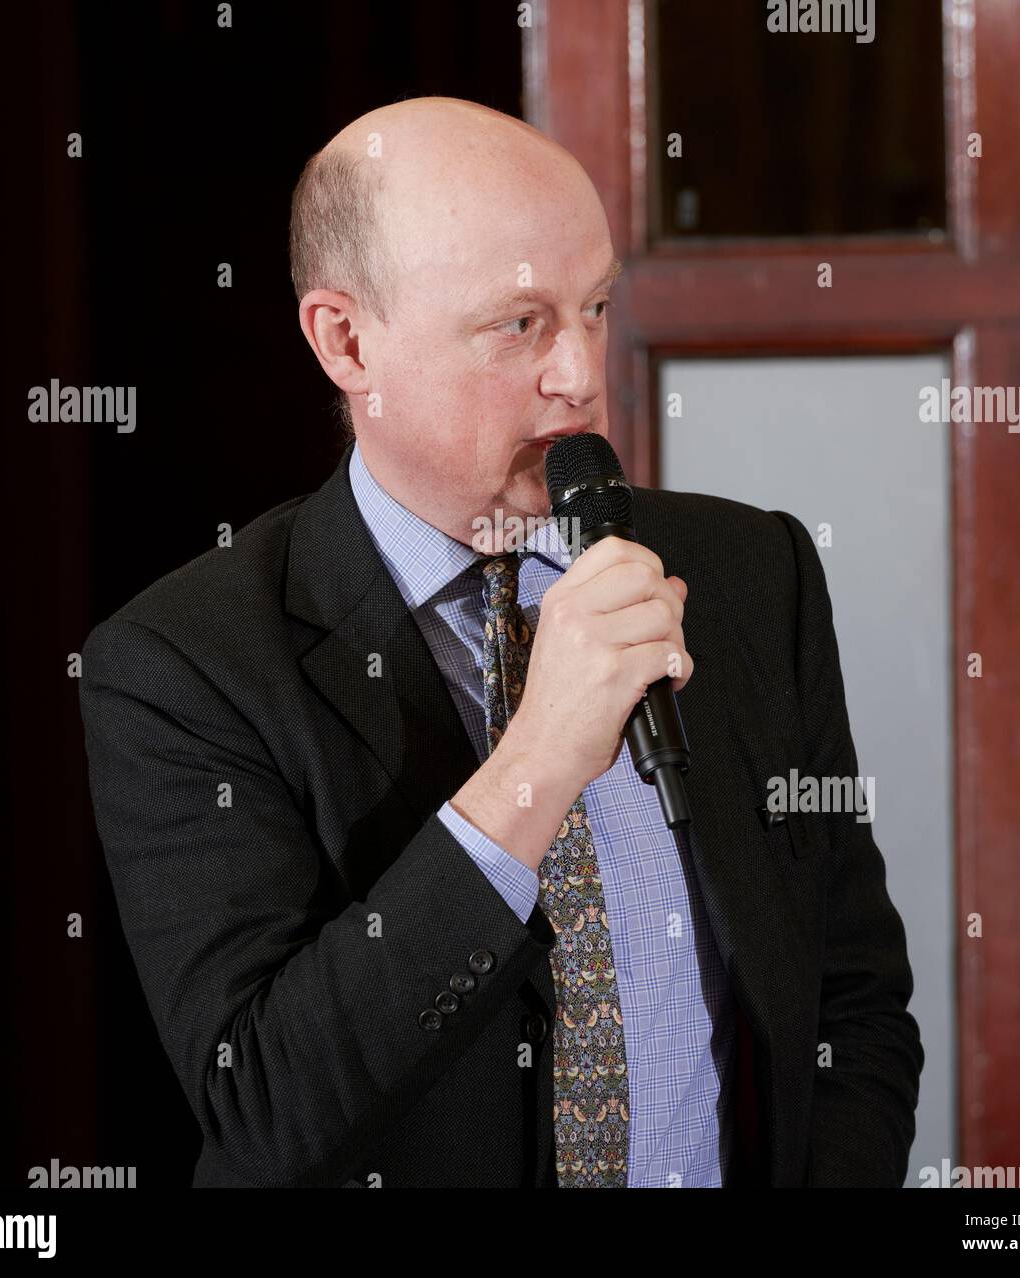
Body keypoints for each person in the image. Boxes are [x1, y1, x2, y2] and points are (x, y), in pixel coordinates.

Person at [78, 96, 923, 1188]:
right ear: (347, 340)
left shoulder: (750, 572)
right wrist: (538, 760)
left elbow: (850, 1001)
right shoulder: (180, 666)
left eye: (597, 307)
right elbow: (266, 1106)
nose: (580, 374)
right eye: (519, 325)